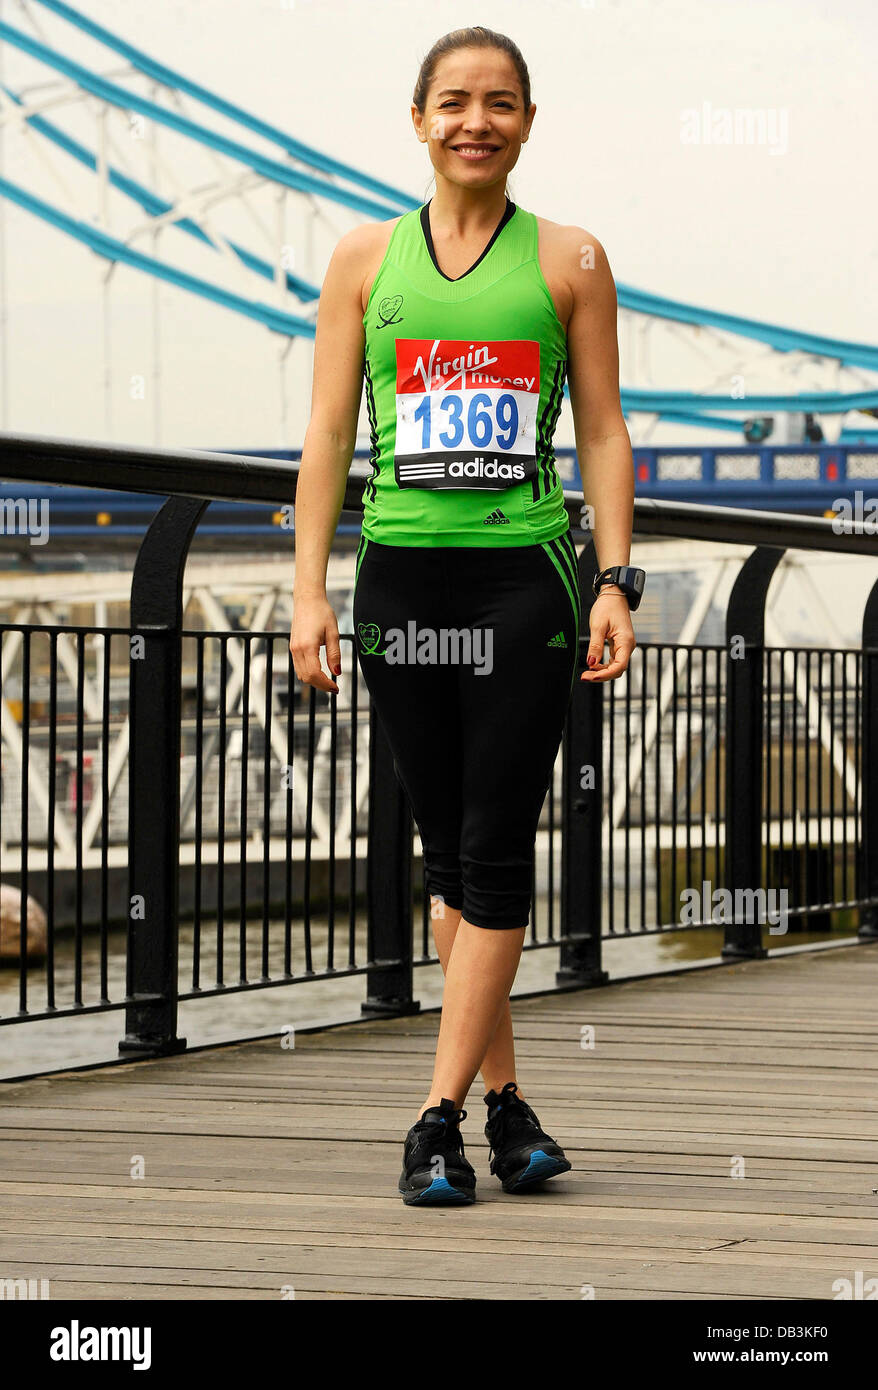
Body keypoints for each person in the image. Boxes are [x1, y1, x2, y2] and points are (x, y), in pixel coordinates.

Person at [290, 25, 640, 1205]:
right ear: (417, 120)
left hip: (519, 585)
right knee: (448, 861)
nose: (473, 120)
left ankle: (431, 1119)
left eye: (498, 103)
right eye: (452, 101)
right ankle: (508, 1109)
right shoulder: (358, 262)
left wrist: (612, 578)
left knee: (495, 848)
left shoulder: (571, 262)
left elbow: (598, 431)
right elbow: (329, 436)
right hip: (397, 583)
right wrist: (308, 592)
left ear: (527, 124)